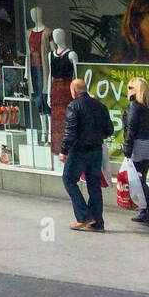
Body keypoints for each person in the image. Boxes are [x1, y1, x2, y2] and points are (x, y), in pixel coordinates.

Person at [59, 77, 115, 232]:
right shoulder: (100, 106)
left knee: (69, 180)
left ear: (74, 90)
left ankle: (84, 216)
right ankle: (97, 221)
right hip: (96, 150)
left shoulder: (73, 106)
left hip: (79, 151)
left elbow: (70, 131)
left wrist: (63, 151)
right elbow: (109, 130)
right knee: (94, 185)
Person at [123, 77, 149, 224]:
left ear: (135, 90)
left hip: (138, 145)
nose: (127, 90)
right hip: (148, 144)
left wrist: (127, 149)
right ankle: (148, 209)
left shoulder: (134, 106)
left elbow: (131, 129)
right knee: (141, 179)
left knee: (137, 181)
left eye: (129, 87)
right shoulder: (147, 108)